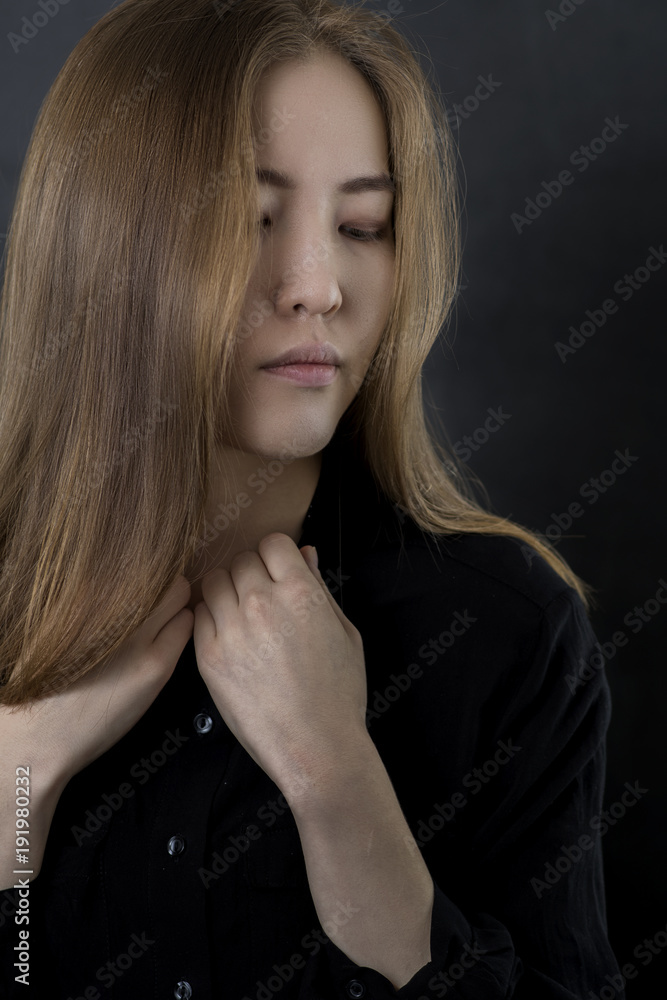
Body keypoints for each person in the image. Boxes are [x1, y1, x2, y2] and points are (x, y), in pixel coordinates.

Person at [0, 1, 624, 997]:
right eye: (252, 218)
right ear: (106, 244)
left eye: (362, 225)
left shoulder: (508, 634)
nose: (320, 285)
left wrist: (340, 790)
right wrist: (18, 781)